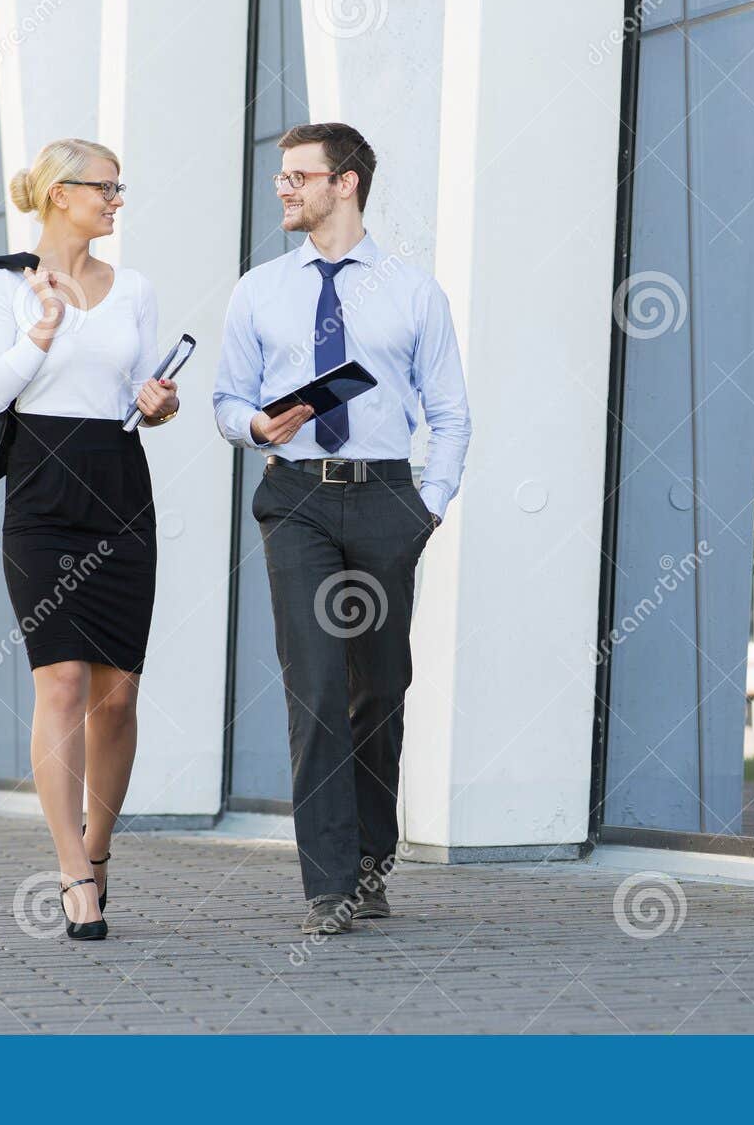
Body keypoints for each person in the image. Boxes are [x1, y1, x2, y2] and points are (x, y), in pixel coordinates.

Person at [213, 122, 471, 934]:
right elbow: (226, 400)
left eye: (299, 176)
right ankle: (328, 884)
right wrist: (258, 428)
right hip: (296, 501)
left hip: (388, 500)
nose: (284, 189)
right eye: (283, 177)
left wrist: (427, 506)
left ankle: (369, 859)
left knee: (380, 688)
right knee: (316, 685)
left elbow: (451, 413)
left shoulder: (413, 291)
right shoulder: (259, 289)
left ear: (346, 182)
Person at [0, 138, 180, 942]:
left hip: (119, 484)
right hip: (44, 494)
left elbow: (139, 398)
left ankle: (99, 846)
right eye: (106, 187)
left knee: (116, 693)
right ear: (61, 194)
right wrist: (43, 330)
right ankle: (72, 873)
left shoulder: (136, 289)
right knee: (59, 679)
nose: (117, 199)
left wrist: (159, 404)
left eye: (120, 187)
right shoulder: (1, 288)